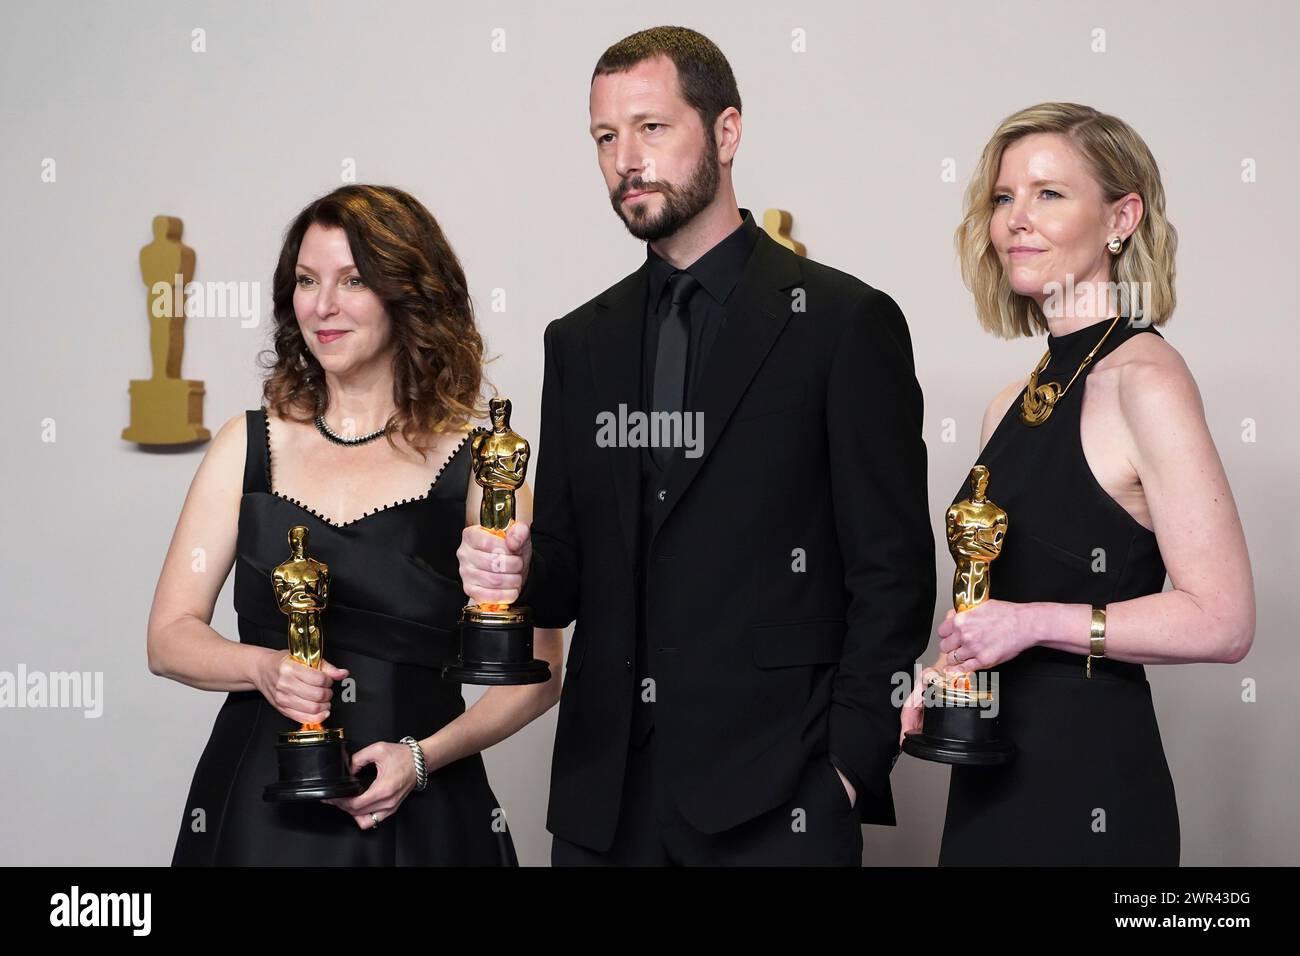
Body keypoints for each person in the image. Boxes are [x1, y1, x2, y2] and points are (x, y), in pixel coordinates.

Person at [457, 26, 935, 865]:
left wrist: (848, 772)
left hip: (779, 799)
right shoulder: (579, 341)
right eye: (605, 138)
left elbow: (891, 572)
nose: (625, 160)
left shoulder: (842, 323)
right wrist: (518, 569)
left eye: (651, 128)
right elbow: (569, 574)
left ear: (726, 131)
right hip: (605, 809)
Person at [148, 184, 563, 865]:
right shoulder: (242, 445)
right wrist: (263, 667)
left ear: (409, 295)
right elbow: (168, 639)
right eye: (307, 281)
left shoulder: (482, 463)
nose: (323, 305)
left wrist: (422, 759)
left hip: (426, 815)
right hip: (262, 814)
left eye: (353, 281)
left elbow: (544, 667)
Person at [902, 103, 1255, 865]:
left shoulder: (1145, 380)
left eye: (1049, 194)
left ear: (1120, 217)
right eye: (1004, 198)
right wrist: (947, 672)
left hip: (1090, 792)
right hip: (988, 786)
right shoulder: (1012, 399)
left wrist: (1032, 623)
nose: (1016, 221)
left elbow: (1224, 622)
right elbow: (999, 594)